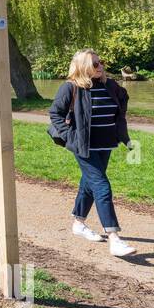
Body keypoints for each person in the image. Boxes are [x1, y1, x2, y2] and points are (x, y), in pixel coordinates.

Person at [48, 49, 137, 257]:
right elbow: (55, 113)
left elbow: (123, 99)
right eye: (95, 64)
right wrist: (71, 136)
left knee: (89, 183)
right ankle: (114, 238)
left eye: (100, 63)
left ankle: (79, 223)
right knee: (102, 186)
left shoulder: (109, 85)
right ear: (82, 67)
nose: (100, 67)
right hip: (84, 146)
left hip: (106, 144)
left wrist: (120, 130)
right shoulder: (71, 87)